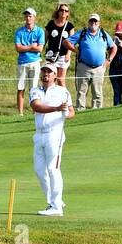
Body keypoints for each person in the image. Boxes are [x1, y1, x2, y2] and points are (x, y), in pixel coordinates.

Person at [30, 63, 73, 217]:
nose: (46, 74)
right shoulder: (35, 90)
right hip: (39, 134)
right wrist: (56, 109)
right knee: (39, 170)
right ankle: (56, 200)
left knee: (53, 169)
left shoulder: (63, 92)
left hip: (55, 134)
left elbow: (71, 112)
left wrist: (65, 112)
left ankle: (56, 207)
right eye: (44, 71)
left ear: (55, 75)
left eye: (49, 72)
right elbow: (36, 107)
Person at [71, 14, 115, 110]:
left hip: (99, 68)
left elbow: (113, 47)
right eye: (91, 21)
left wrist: (109, 60)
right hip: (84, 66)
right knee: (81, 91)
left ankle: (97, 112)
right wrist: (76, 51)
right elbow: (67, 42)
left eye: (95, 21)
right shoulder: (82, 33)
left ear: (99, 23)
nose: (93, 23)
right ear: (88, 22)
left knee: (97, 92)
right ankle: (80, 110)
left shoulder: (103, 34)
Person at [14, 8, 45, 116]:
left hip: (35, 62)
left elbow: (40, 49)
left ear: (34, 18)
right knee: (20, 88)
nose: (28, 18)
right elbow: (18, 48)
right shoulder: (19, 32)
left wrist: (25, 47)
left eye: (30, 16)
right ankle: (20, 113)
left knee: (34, 89)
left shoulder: (40, 31)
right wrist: (32, 46)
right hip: (22, 62)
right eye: (26, 16)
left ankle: (34, 112)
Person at [43, 3, 76, 87]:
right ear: (58, 11)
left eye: (66, 11)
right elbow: (44, 39)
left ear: (68, 13)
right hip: (51, 55)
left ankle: (64, 99)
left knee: (61, 80)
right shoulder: (51, 24)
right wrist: (40, 50)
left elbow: (71, 42)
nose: (63, 12)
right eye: (62, 10)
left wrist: (68, 55)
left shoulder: (70, 26)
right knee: (50, 79)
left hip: (63, 56)